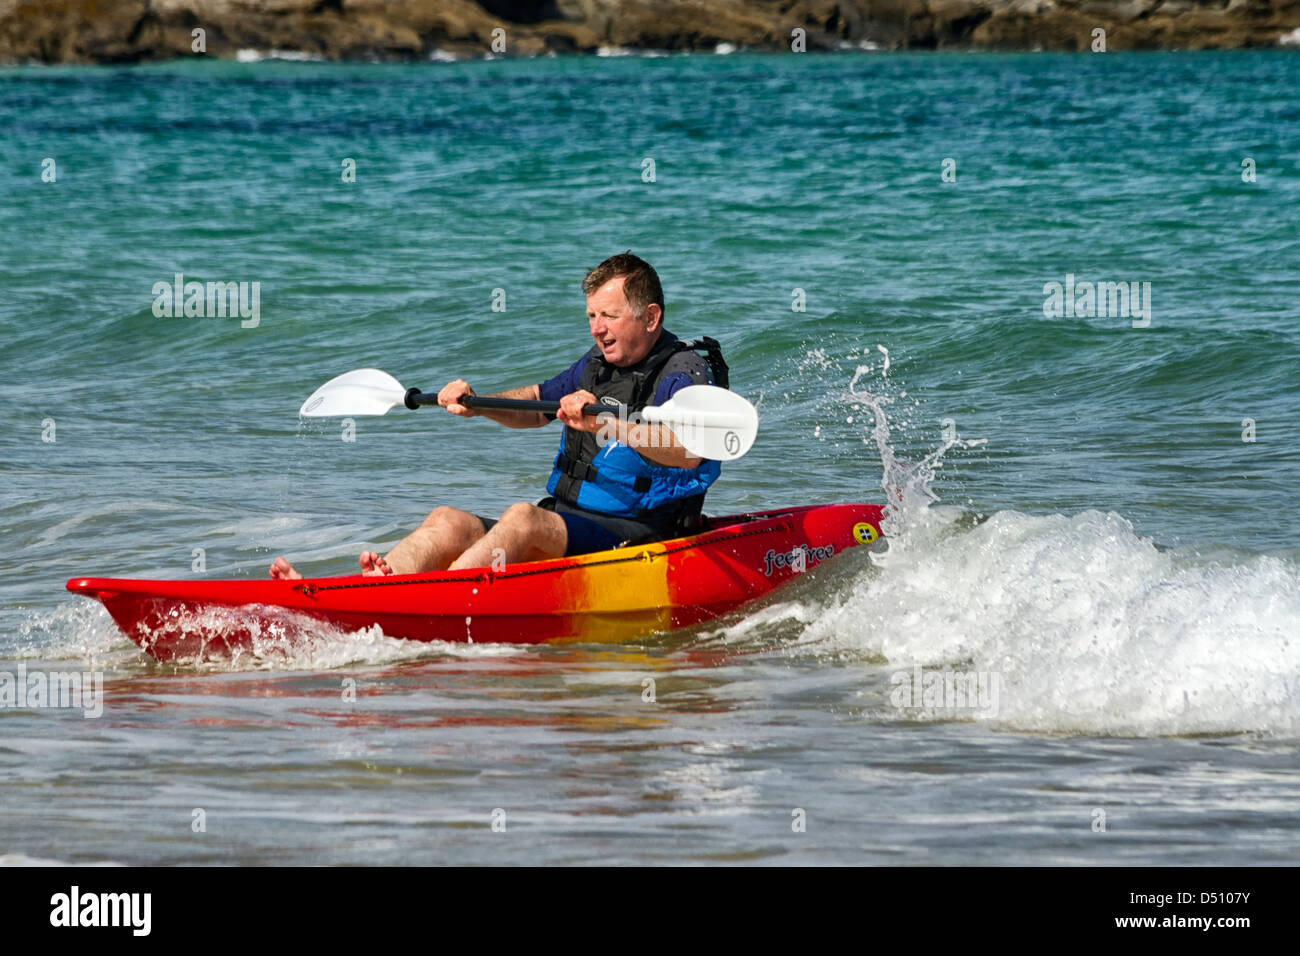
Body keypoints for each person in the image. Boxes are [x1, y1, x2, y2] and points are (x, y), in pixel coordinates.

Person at [270, 253, 727, 580]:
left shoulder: (684, 374)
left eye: (608, 315)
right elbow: (536, 403)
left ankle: (431, 599)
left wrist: (603, 422)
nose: (596, 328)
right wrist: (478, 403)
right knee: (447, 519)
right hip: (572, 524)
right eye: (591, 315)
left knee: (523, 518)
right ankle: (368, 590)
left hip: (641, 538)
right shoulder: (596, 363)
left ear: (650, 316)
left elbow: (689, 451)